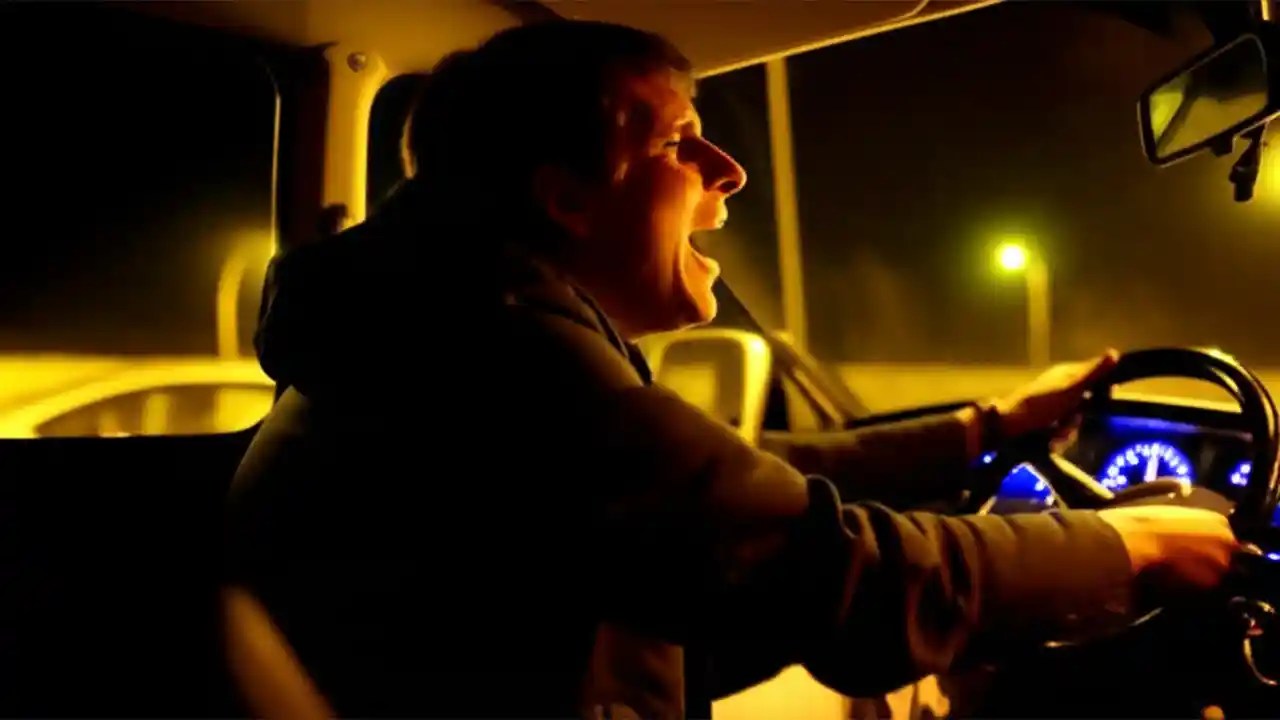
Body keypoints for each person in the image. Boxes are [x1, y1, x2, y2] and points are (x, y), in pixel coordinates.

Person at [223, 19, 1239, 720]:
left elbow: (736, 479)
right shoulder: (498, 355)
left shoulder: (427, 328)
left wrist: (982, 430)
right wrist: (1127, 544)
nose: (728, 172)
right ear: (566, 195)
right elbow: (845, 575)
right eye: (679, 142)